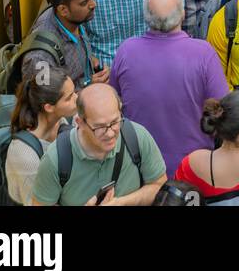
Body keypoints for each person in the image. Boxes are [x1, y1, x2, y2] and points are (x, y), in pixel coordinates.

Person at [110, 0, 229, 177]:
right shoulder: (203, 53)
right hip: (193, 169)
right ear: (182, 14)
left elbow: (114, 102)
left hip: (138, 167)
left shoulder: (126, 51)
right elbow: (223, 111)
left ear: (146, 16)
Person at [32, 82, 166, 207]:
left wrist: (121, 203)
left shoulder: (137, 137)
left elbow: (159, 185)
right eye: (99, 127)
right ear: (80, 123)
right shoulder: (56, 159)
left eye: (114, 122)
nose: (110, 134)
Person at [5, 66, 77, 206]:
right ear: (49, 107)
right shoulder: (24, 155)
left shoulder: (67, 119)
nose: (77, 98)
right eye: (69, 97)